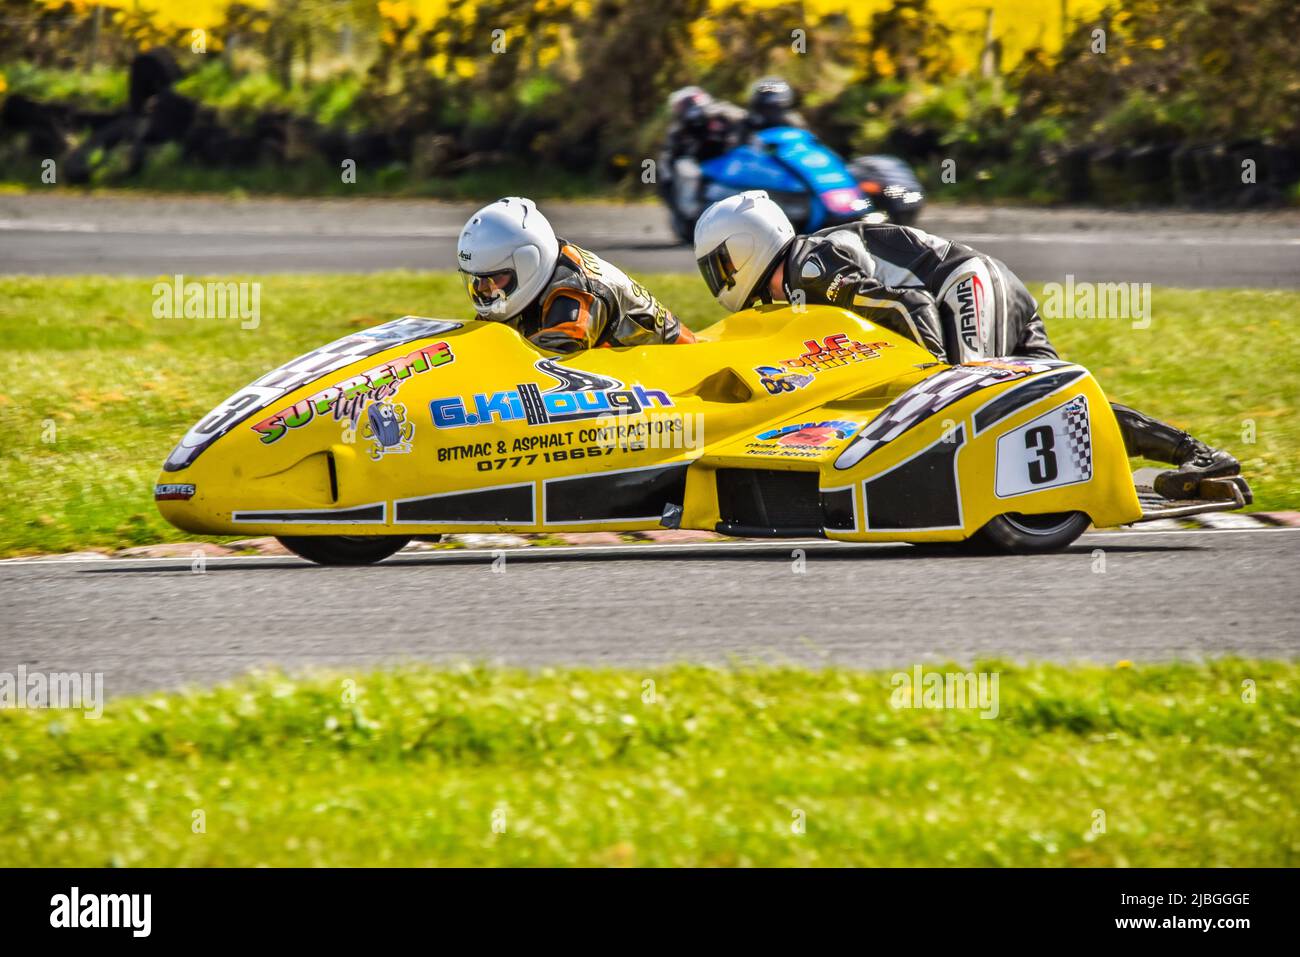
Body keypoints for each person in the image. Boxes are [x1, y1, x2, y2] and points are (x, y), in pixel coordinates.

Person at [692, 191, 1239, 499]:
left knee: (977, 388)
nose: (718, 280)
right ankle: (1197, 458)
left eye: (718, 265)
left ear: (742, 251)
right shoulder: (801, 277)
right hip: (980, 284)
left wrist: (931, 374)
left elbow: (911, 304)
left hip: (966, 283)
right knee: (1047, 405)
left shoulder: (810, 266)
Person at [456, 197, 695, 354]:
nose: (483, 290)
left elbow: (547, 366)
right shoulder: (535, 278)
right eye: (476, 280)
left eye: (492, 279)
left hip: (674, 375)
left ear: (528, 263)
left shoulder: (575, 293)